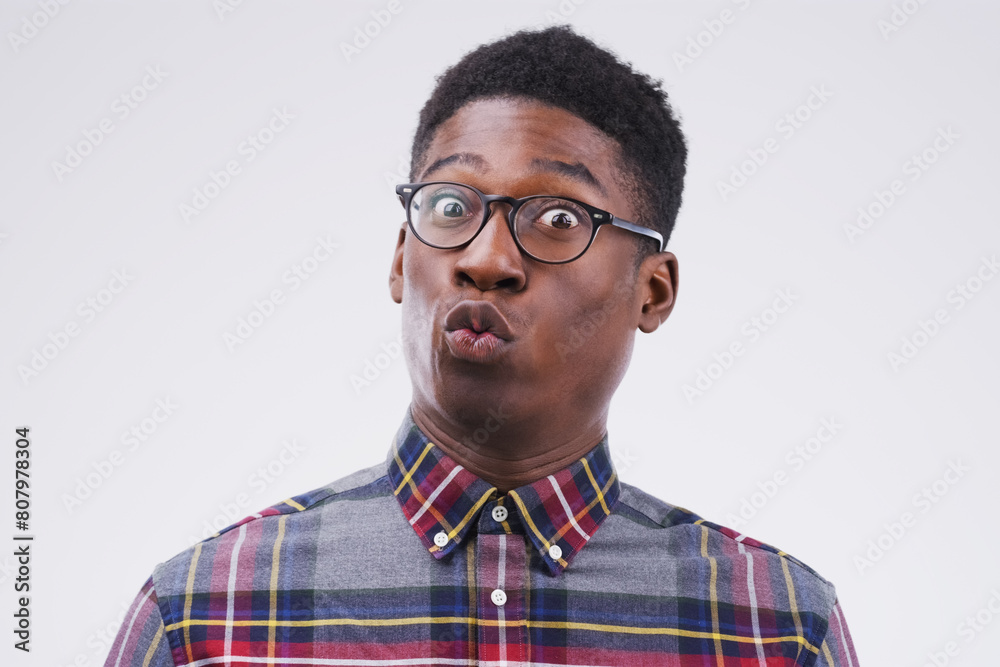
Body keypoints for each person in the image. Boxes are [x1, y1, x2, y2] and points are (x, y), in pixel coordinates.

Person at [106, 24, 859, 666]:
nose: (487, 259)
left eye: (558, 219)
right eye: (450, 205)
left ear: (653, 291)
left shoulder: (778, 628)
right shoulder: (204, 616)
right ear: (401, 258)